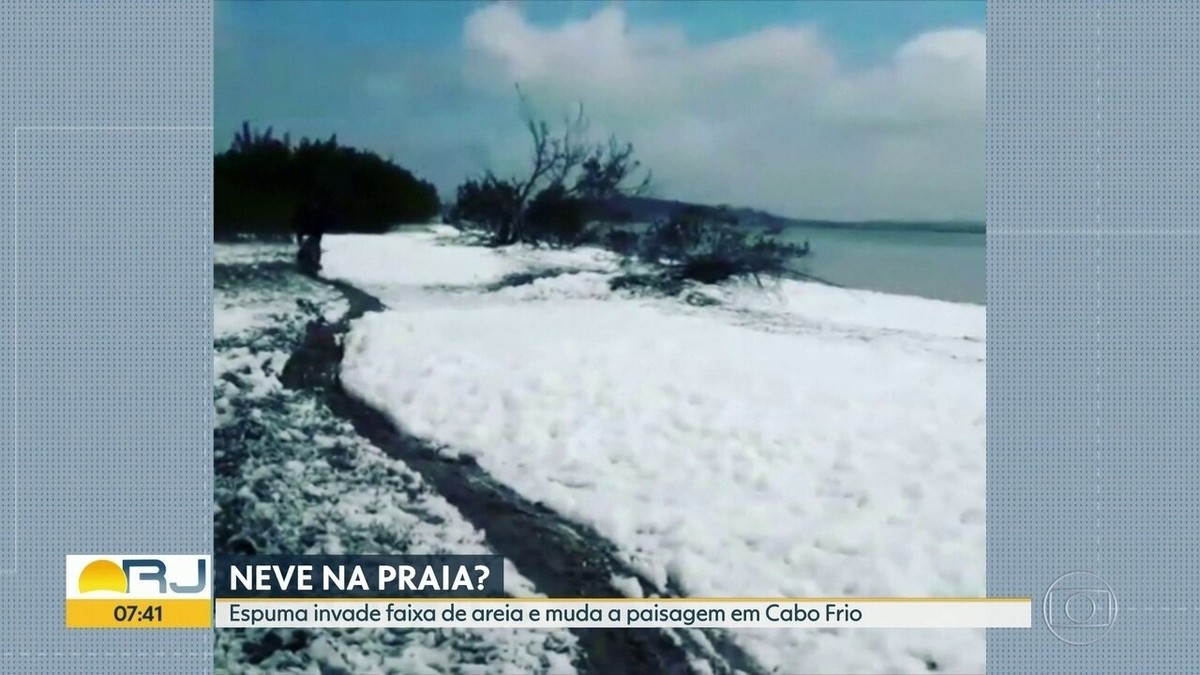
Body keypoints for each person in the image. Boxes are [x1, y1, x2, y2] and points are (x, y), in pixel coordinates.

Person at [292, 196, 328, 274]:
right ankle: (311, 263)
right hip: (310, 240)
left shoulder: (318, 217)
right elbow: (299, 230)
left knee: (314, 240)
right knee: (311, 241)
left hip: (313, 239)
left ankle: (312, 263)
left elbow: (319, 233)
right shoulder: (305, 213)